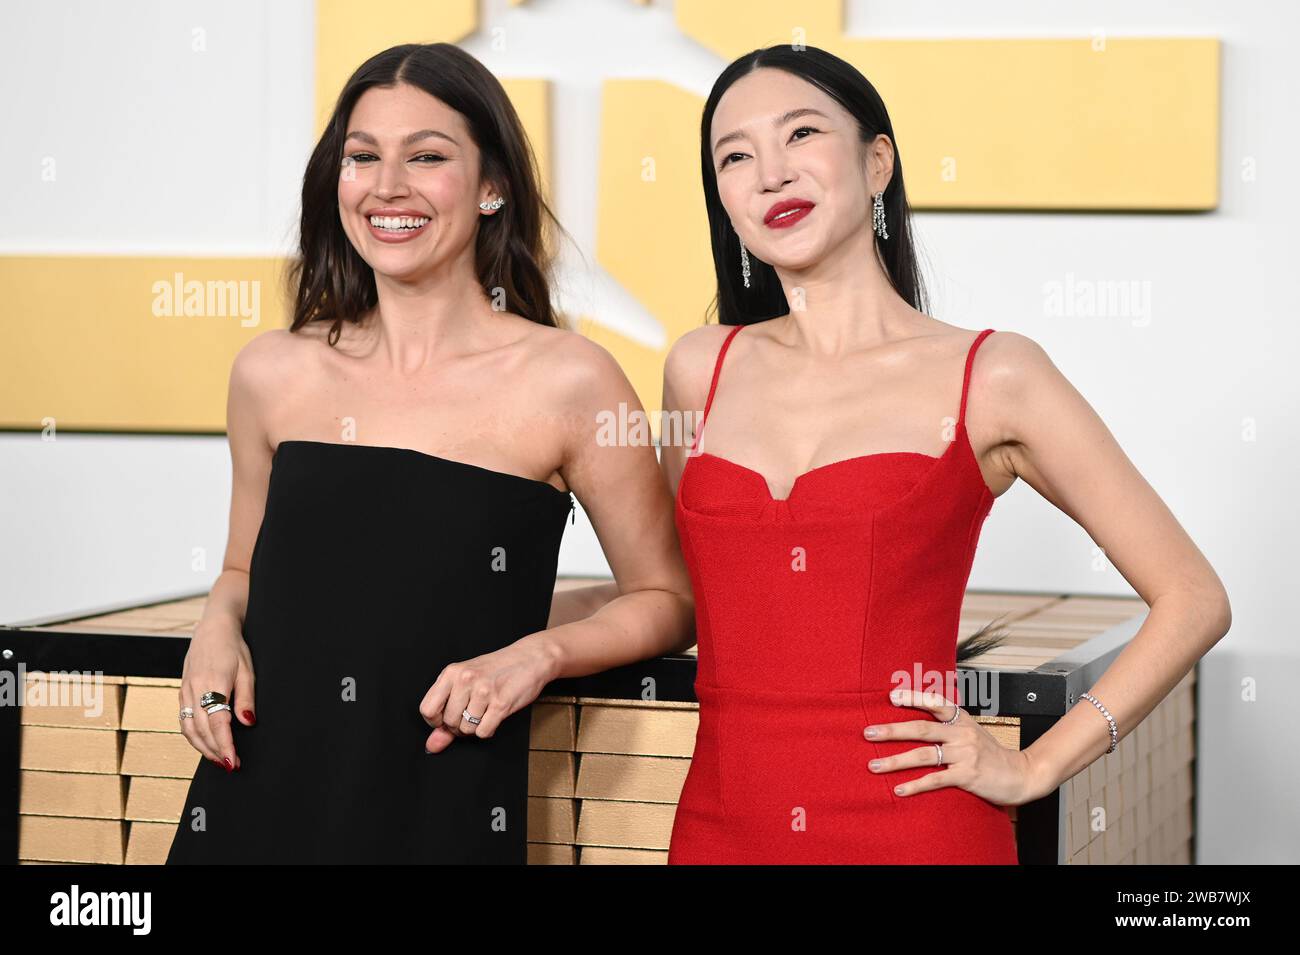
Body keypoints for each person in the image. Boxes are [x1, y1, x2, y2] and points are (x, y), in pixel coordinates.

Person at [653, 45, 1231, 863]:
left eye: (801, 134)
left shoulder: (994, 375)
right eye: (735, 156)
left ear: (877, 160)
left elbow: (1194, 597)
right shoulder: (697, 368)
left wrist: (1037, 765)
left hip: (916, 829)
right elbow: (679, 593)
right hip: (719, 829)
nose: (770, 173)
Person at [166, 42, 694, 864]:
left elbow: (668, 596)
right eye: (362, 156)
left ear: (492, 188)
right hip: (255, 795)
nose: (387, 187)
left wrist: (537, 654)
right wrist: (213, 628)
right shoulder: (273, 371)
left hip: (440, 808)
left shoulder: (570, 380)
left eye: (427, 157)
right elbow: (241, 570)